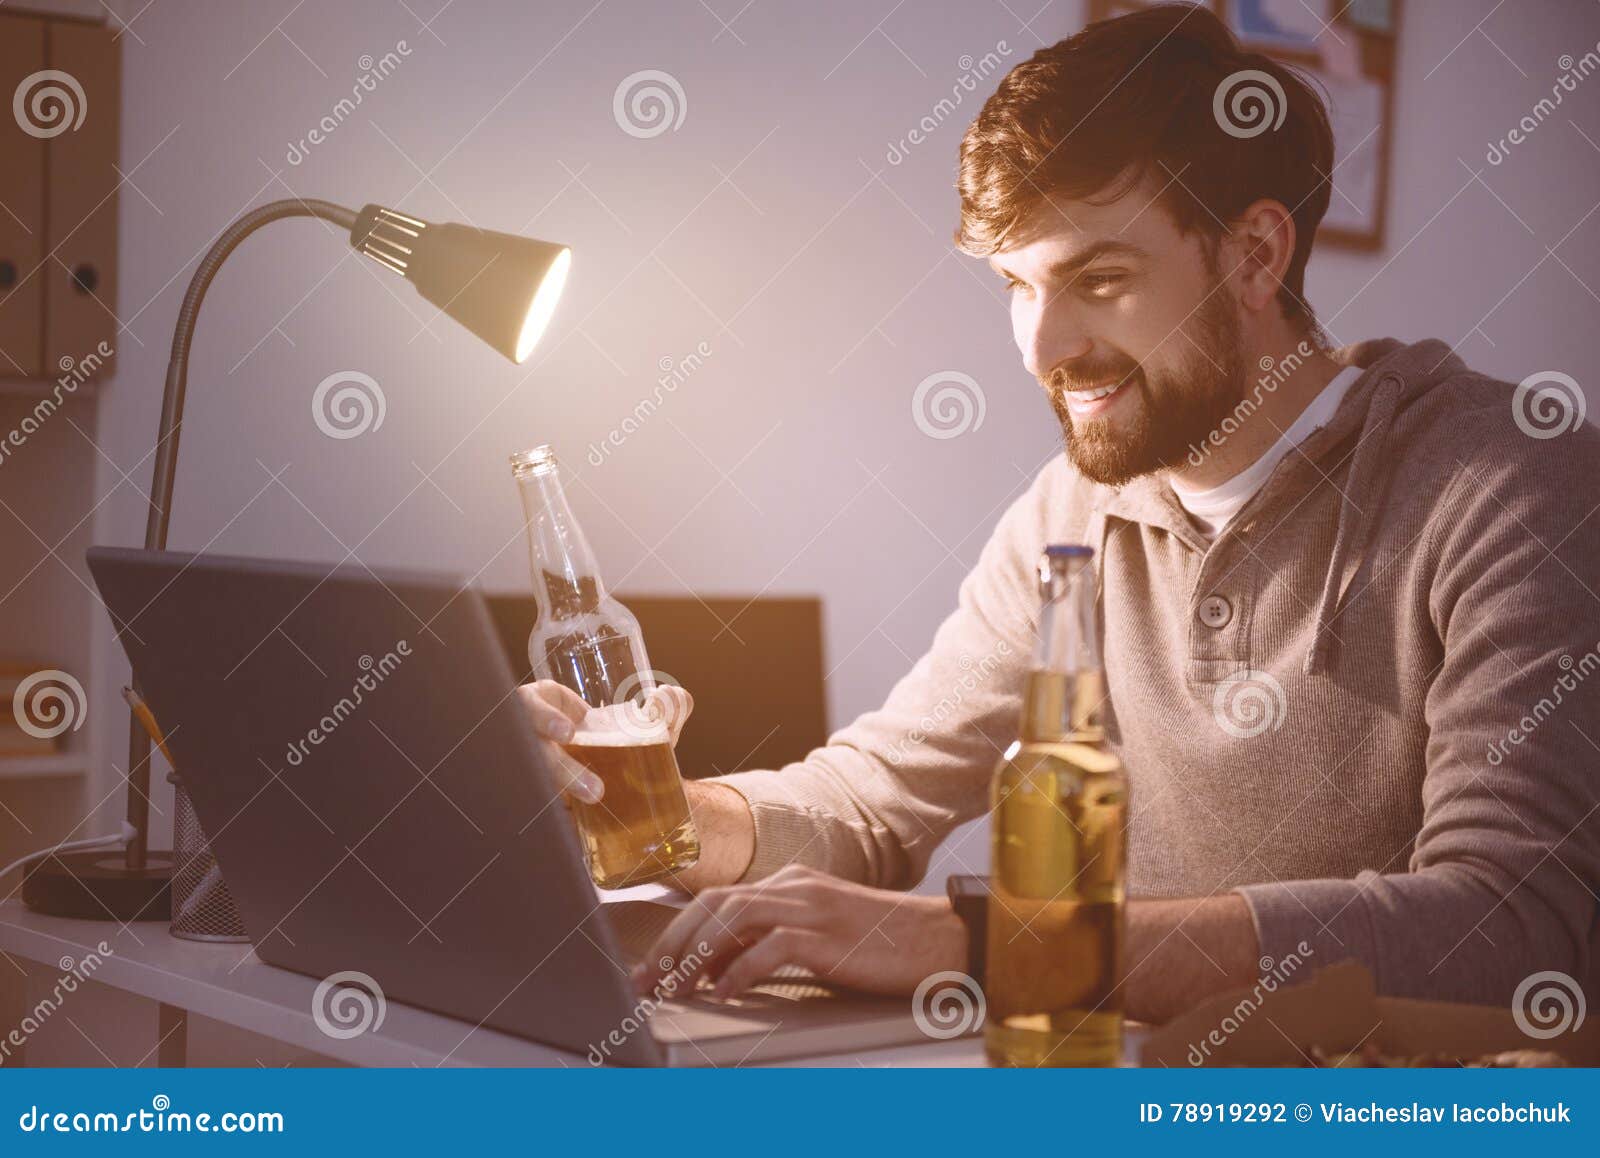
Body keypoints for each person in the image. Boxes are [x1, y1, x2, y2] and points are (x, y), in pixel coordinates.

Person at [520, 4, 1600, 1023]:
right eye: (1015, 287)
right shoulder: (1070, 514)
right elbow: (873, 800)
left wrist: (985, 944)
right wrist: (648, 815)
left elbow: (1510, 927)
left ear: (1254, 255)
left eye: (1100, 278)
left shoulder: (1510, 484)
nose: (1043, 350)